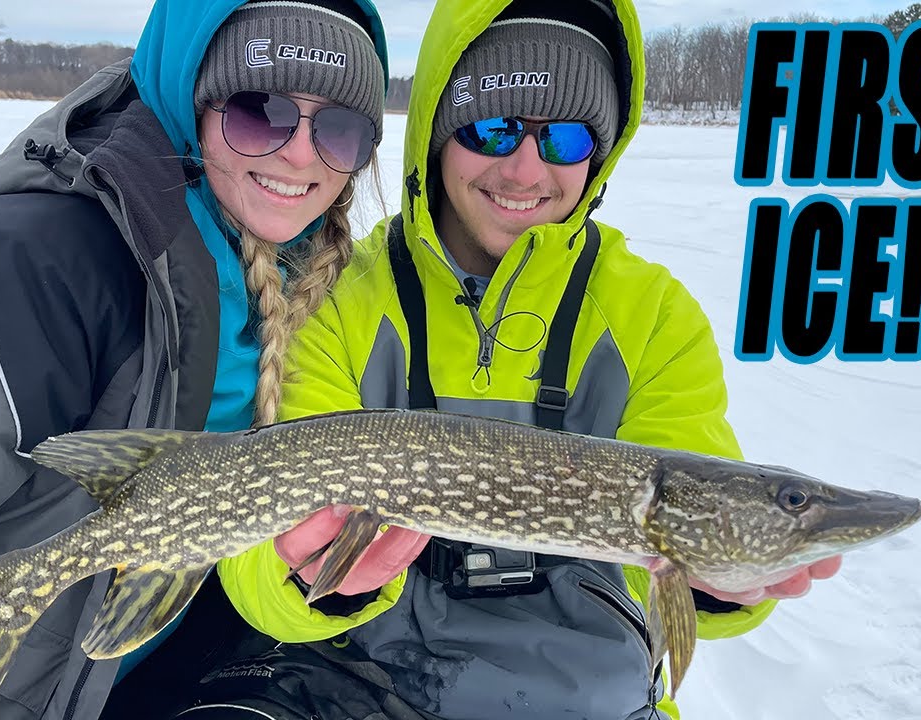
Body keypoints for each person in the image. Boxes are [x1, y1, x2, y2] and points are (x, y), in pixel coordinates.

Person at [189, 1, 844, 719]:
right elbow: (249, 558)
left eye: (563, 138)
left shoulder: (654, 314)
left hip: (584, 694)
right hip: (361, 681)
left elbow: (694, 521)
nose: (526, 168)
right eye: (492, 128)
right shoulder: (338, 295)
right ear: (439, 132)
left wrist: (716, 585)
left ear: (598, 152)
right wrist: (309, 576)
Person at [0, 0, 389, 717]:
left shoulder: (302, 292)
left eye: (339, 129)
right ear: (191, 105)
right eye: (259, 112)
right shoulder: (29, 272)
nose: (301, 154)